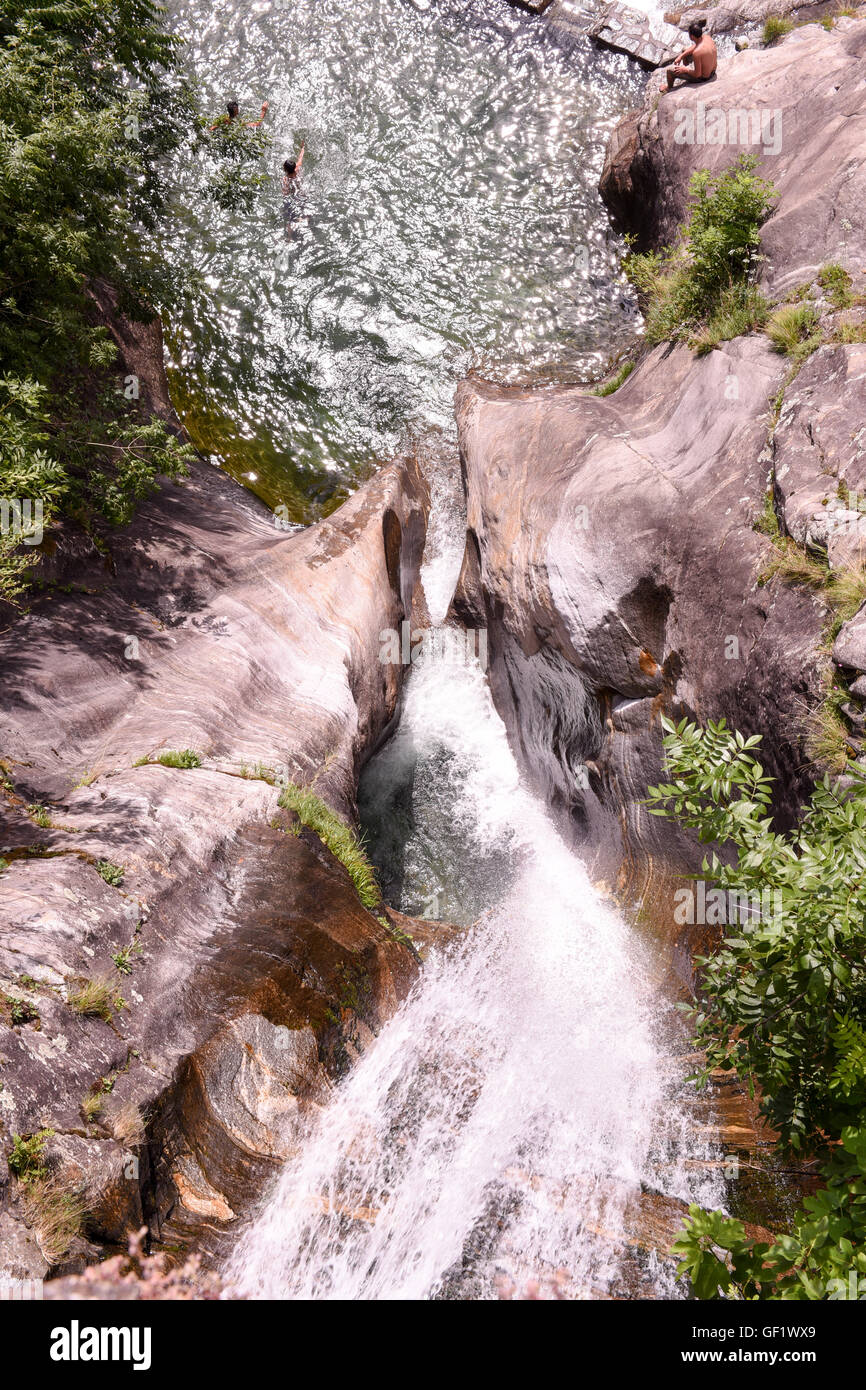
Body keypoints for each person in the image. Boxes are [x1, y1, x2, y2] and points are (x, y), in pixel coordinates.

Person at [660, 18, 717, 92]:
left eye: (689, 34)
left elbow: (697, 74)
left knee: (670, 71)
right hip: (713, 70)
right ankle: (687, 66)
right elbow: (695, 46)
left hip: (704, 77)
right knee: (685, 49)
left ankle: (669, 88)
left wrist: (685, 70)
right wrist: (681, 56)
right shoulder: (707, 38)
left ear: (692, 36)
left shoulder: (697, 53)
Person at [281, 144, 306, 236]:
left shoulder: (285, 179)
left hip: (293, 198)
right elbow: (300, 158)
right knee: (302, 211)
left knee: (289, 219)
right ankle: (303, 219)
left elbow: (285, 193)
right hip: (302, 194)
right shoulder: (298, 168)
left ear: (285, 170)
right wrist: (302, 147)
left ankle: (289, 238)